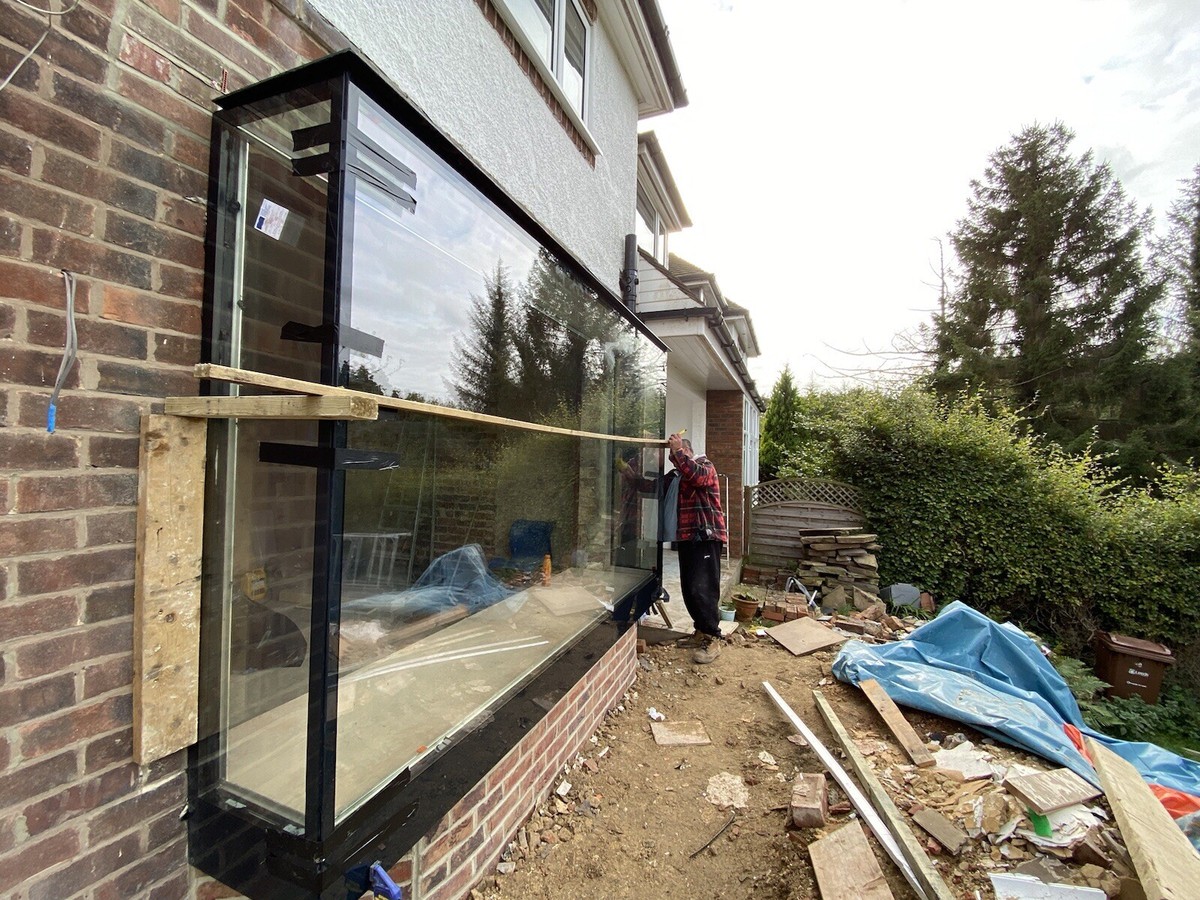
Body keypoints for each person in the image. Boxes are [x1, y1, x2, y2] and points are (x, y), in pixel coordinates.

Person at [666, 433, 727, 664]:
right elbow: (657, 486)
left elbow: (698, 477)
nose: (678, 460)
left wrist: (678, 451)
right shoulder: (681, 475)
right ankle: (700, 631)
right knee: (690, 587)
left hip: (706, 536)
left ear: (688, 452)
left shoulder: (705, 466)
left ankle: (713, 637)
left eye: (680, 455)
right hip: (687, 537)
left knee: (704, 588)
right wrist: (629, 475)